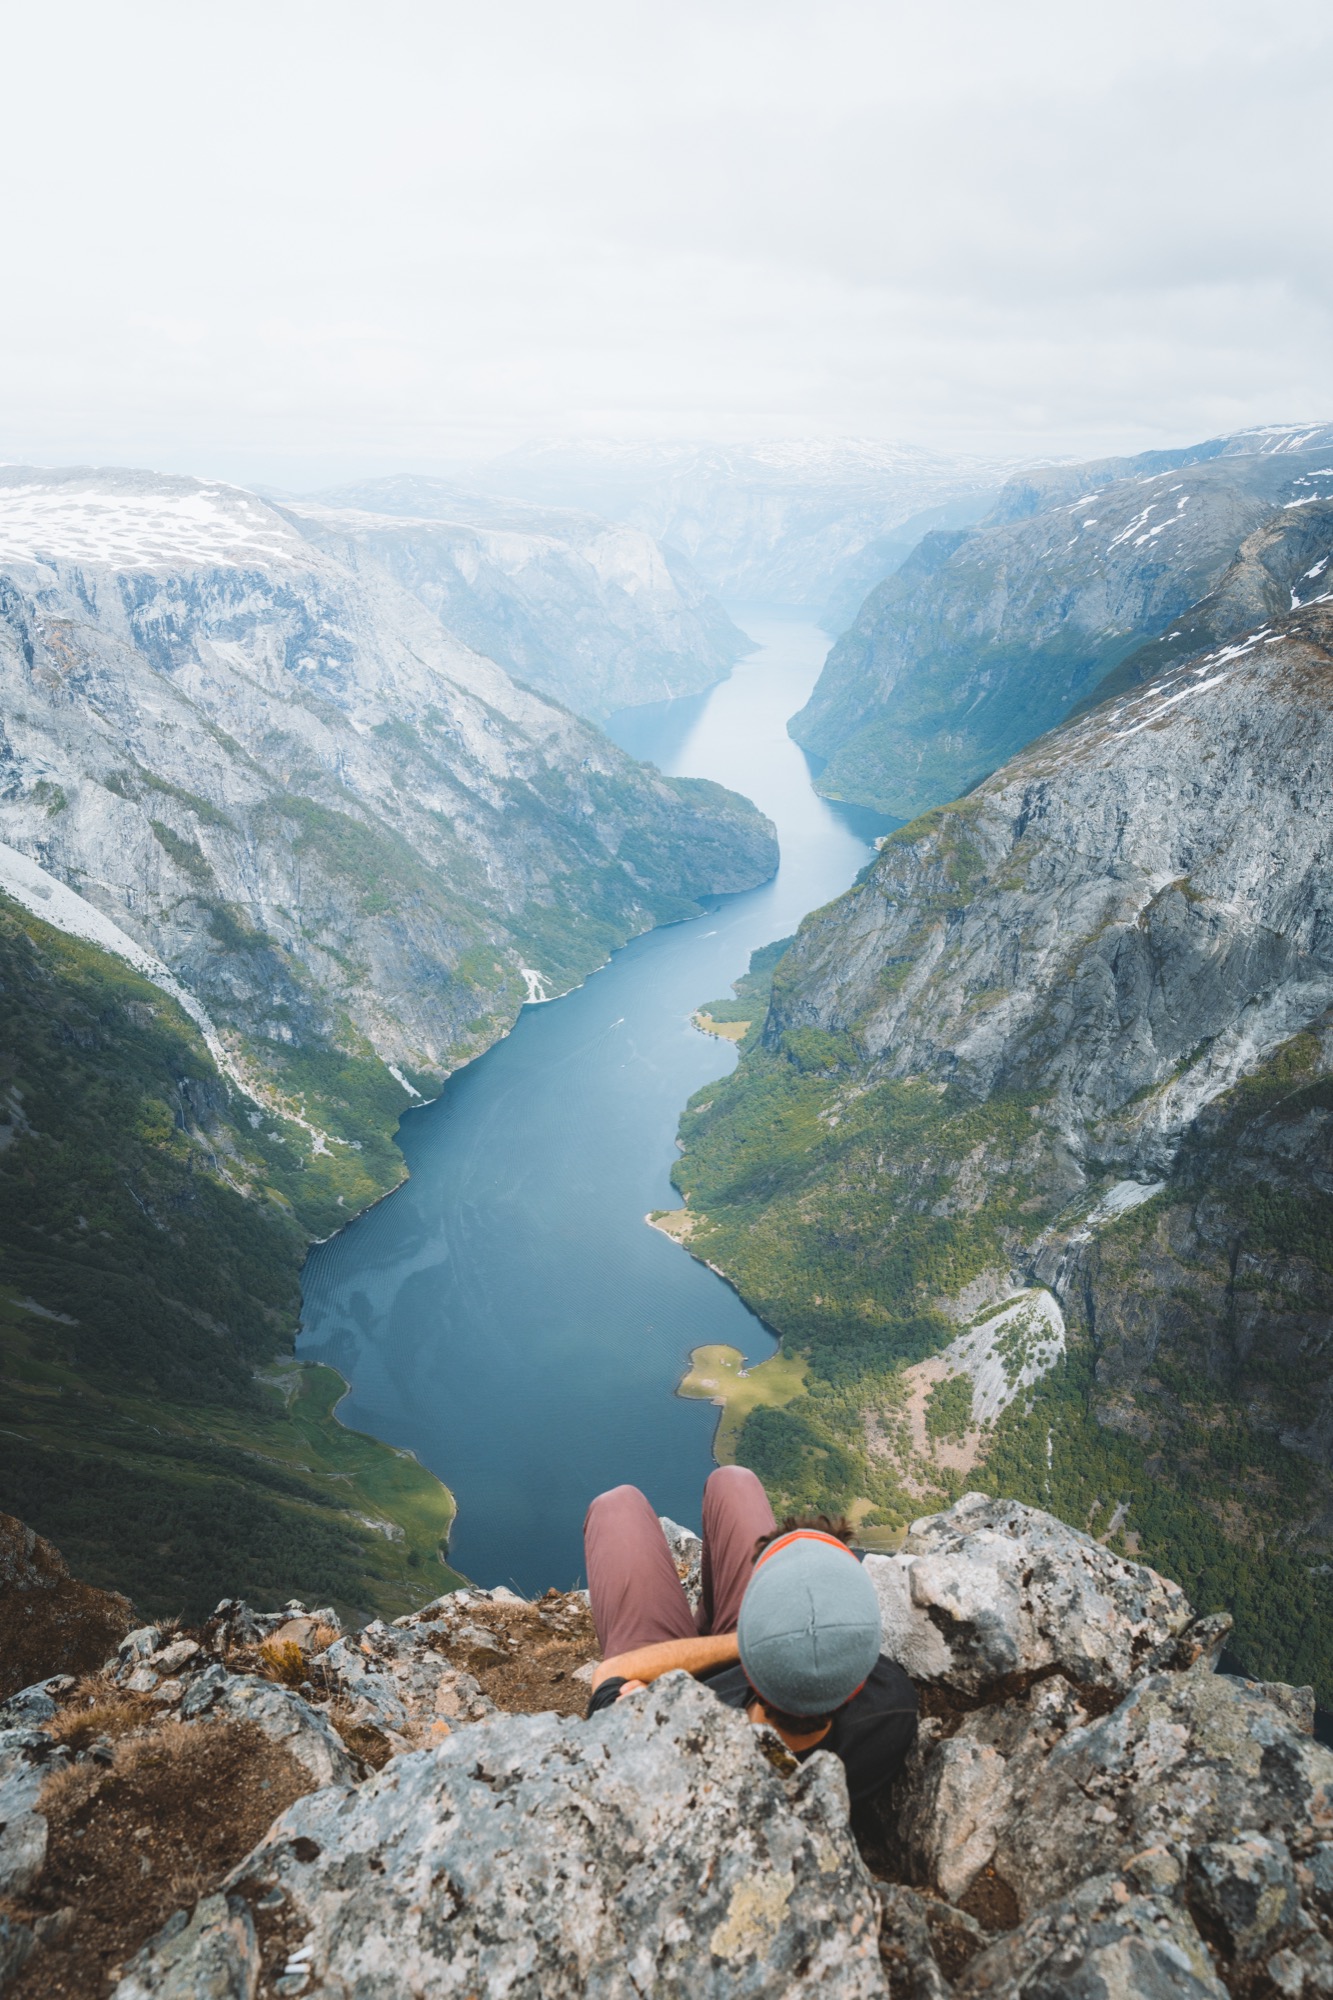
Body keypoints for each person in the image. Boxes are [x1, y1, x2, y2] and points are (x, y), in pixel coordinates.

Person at [583, 1465, 917, 1819]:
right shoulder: (892, 1708)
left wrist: (753, 1640)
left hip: (678, 1687)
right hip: (756, 1665)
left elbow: (610, 1675)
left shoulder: (672, 1745)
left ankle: (709, 1630)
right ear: (857, 1680)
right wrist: (769, 1644)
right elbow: (828, 1637)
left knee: (617, 1506)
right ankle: (711, 1622)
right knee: (733, 1480)